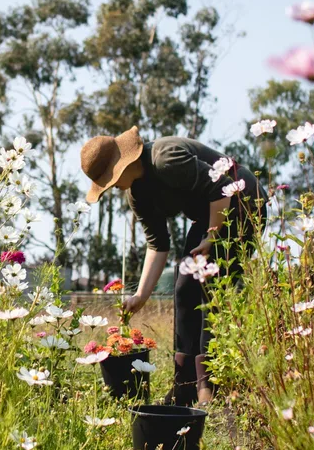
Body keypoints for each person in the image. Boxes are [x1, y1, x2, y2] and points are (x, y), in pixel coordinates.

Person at [81, 126, 267, 405]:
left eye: (110, 180)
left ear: (124, 165)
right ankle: (184, 383)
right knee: (182, 289)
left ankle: (209, 385)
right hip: (208, 215)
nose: (113, 187)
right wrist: (141, 295)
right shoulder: (138, 196)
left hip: (242, 201)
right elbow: (158, 244)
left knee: (211, 286)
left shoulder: (166, 159)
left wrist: (212, 236)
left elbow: (219, 188)